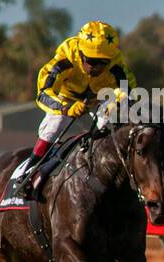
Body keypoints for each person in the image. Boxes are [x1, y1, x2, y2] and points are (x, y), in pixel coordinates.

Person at [15, 20, 135, 198]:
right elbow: (43, 93)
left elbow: (128, 92)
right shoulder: (66, 57)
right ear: (80, 53)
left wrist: (114, 104)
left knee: (110, 122)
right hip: (66, 98)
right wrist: (66, 108)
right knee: (53, 128)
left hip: (99, 99)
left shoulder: (116, 64)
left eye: (104, 62)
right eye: (92, 61)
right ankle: (28, 171)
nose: (97, 68)